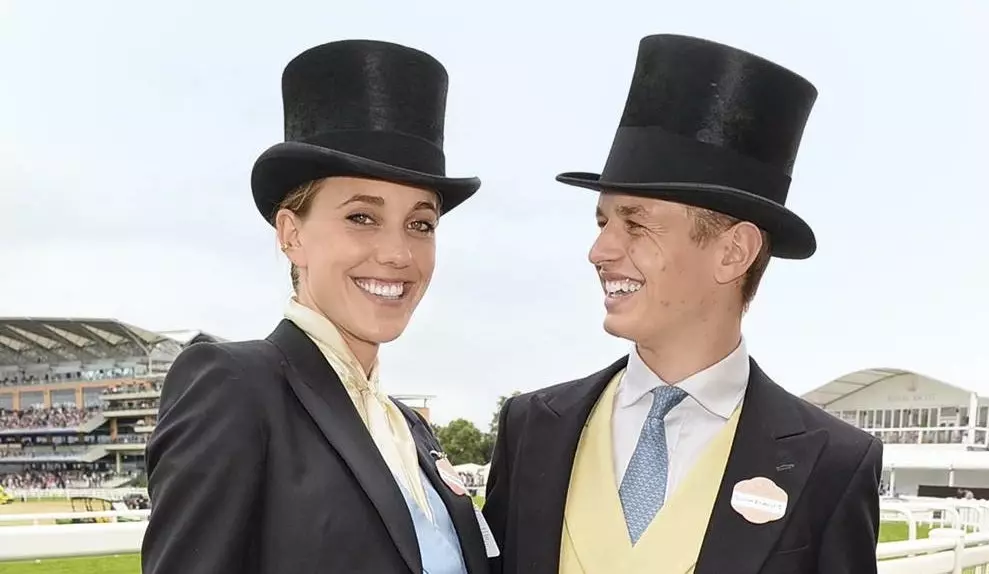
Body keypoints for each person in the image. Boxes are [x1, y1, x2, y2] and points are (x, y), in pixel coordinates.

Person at [483, 34, 882, 574]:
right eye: (603, 221)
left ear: (732, 252)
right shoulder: (530, 428)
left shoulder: (832, 464)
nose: (599, 251)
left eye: (636, 224)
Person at [142, 40, 490, 574]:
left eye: (420, 224)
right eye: (361, 217)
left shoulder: (409, 429)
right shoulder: (234, 387)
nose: (398, 253)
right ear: (291, 234)